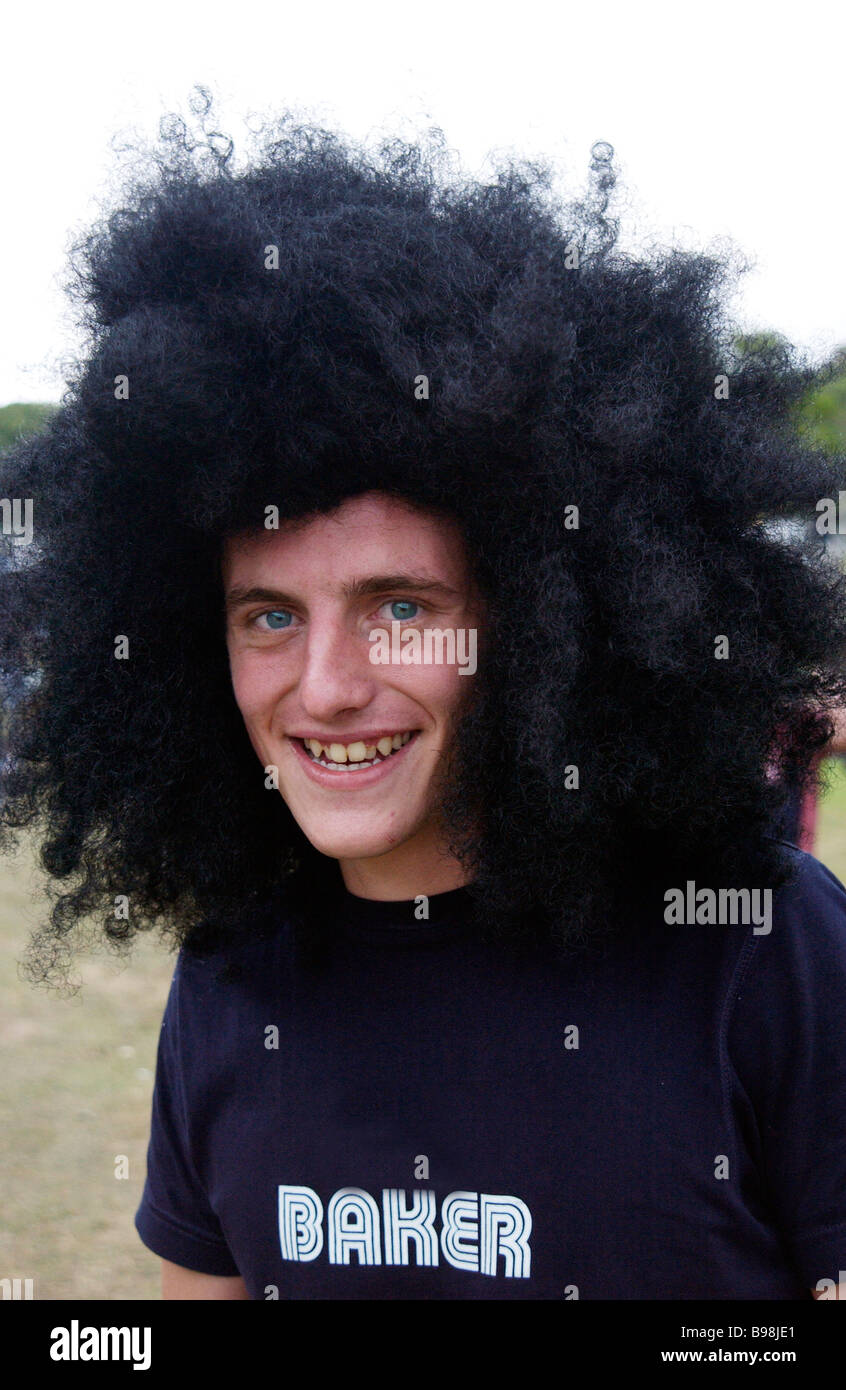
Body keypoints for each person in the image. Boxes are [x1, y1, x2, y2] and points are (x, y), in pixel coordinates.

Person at [3, 96, 846, 1301]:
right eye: (270, 616)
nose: (330, 687)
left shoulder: (761, 953)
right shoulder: (234, 979)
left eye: (402, 608)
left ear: (543, 619)